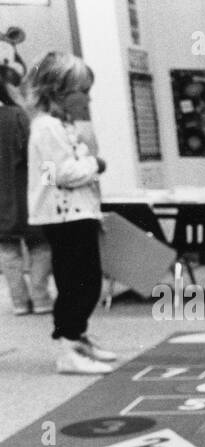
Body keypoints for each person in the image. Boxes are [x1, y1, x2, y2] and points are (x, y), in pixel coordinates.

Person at [24, 52, 116, 375]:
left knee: (88, 279)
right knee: (77, 282)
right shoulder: (46, 127)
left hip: (78, 212)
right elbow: (58, 173)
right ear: (59, 90)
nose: (88, 97)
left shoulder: (63, 125)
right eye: (82, 90)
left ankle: (78, 338)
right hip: (63, 216)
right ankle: (68, 345)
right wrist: (96, 165)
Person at [0, 74, 53, 316]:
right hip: (25, 192)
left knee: (8, 251)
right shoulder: (17, 116)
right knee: (40, 245)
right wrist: (51, 185)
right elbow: (40, 154)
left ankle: (19, 302)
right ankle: (40, 297)